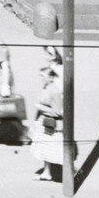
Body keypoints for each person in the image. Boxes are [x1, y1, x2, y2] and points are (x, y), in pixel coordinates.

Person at [32, 46, 65, 182]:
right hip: (48, 111)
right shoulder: (51, 71)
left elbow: (58, 95)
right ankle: (48, 171)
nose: (45, 55)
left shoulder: (58, 72)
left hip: (53, 111)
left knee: (52, 143)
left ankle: (52, 171)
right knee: (46, 142)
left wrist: (41, 106)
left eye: (48, 53)